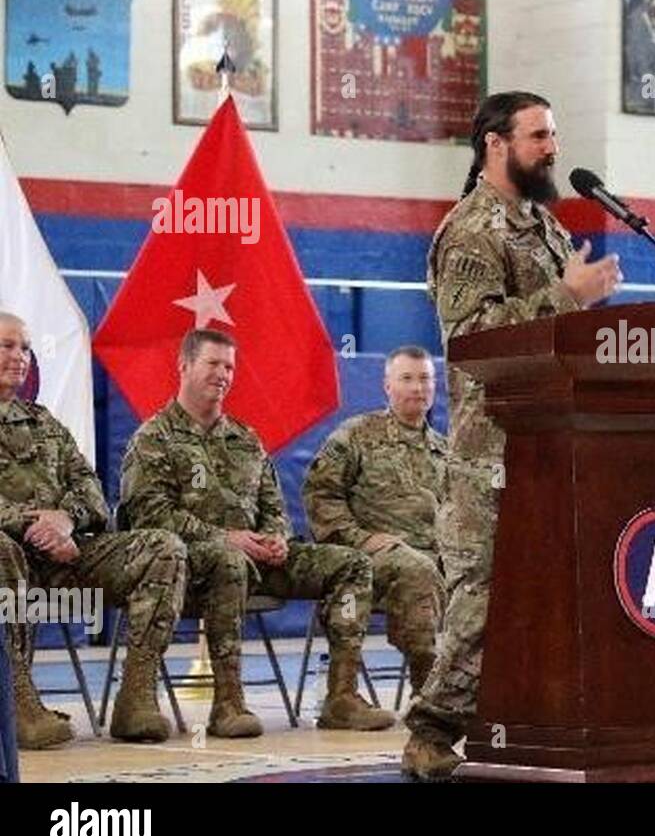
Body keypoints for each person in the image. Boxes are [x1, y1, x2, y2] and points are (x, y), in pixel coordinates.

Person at [402, 91, 622, 779]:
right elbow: (470, 339)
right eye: (539, 136)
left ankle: (547, 720)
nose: (553, 148)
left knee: (561, 592)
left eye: (554, 134)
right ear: (495, 143)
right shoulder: (471, 231)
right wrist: (568, 296)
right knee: (485, 597)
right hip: (490, 453)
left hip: (558, 446)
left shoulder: (545, 228)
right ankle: (431, 732)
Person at [119, 328, 394, 737]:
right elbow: (151, 517)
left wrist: (276, 536)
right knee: (229, 562)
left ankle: (341, 694)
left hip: (261, 558)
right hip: (191, 567)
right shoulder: (153, 439)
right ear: (184, 366)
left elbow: (274, 507)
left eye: (229, 366)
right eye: (213, 363)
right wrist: (225, 537)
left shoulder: (246, 439)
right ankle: (228, 703)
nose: (223, 374)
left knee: (352, 564)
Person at [0, 312, 186, 747]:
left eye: (25, 347)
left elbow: (92, 492)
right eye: (7, 346)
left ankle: (135, 698)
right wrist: (34, 527)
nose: (19, 356)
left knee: (164, 548)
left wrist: (65, 522)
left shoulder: (43, 422)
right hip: (8, 562)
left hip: (64, 557)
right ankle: (17, 703)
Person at [303, 345, 446, 694]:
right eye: (407, 379)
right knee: (417, 569)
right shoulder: (356, 435)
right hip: (372, 558)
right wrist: (359, 539)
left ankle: (490, 687)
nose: (418, 388)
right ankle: (428, 691)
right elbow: (320, 495)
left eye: (425, 379)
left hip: (437, 557)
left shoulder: (445, 450)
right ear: (387, 386)